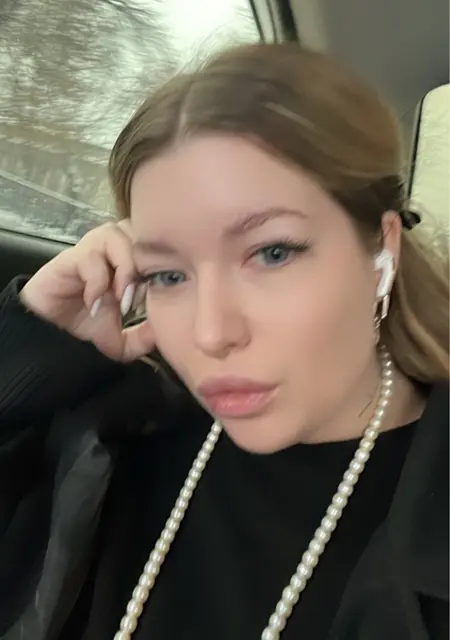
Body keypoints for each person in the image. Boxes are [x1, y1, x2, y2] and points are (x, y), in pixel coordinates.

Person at [0, 43, 448, 640]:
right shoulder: (113, 440)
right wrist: (28, 350)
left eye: (273, 253)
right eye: (167, 274)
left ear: (382, 250)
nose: (211, 334)